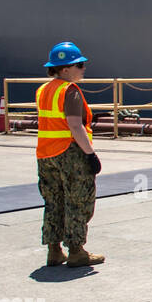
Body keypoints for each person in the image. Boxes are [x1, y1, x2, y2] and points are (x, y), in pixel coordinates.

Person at [36, 42, 104, 268]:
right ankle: (76, 251)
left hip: (46, 154)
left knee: (54, 200)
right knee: (78, 200)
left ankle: (54, 251)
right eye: (79, 65)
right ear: (64, 69)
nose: (83, 68)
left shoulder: (43, 90)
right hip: (70, 154)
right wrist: (91, 154)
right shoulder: (69, 91)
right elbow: (75, 125)